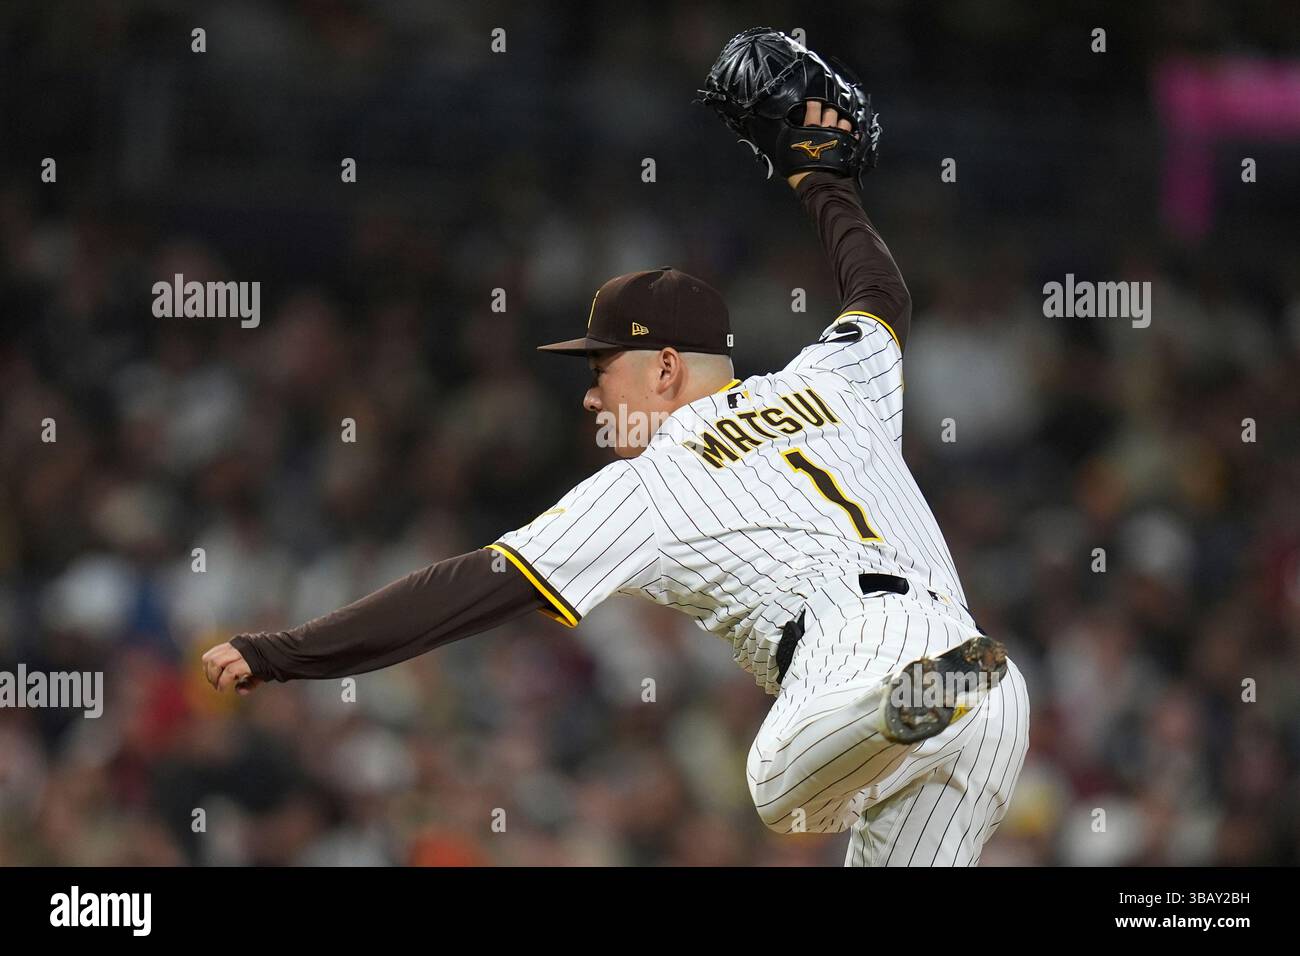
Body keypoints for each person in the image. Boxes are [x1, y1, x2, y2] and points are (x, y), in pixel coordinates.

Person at [203, 100, 1029, 866]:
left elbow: (460, 590)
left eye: (604, 367)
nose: (593, 394)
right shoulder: (833, 381)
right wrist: (823, 178)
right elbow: (881, 292)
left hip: (855, 664)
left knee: (779, 787)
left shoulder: (653, 482)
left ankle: (897, 706)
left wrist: (279, 653)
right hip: (991, 695)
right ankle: (917, 701)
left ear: (666, 366)